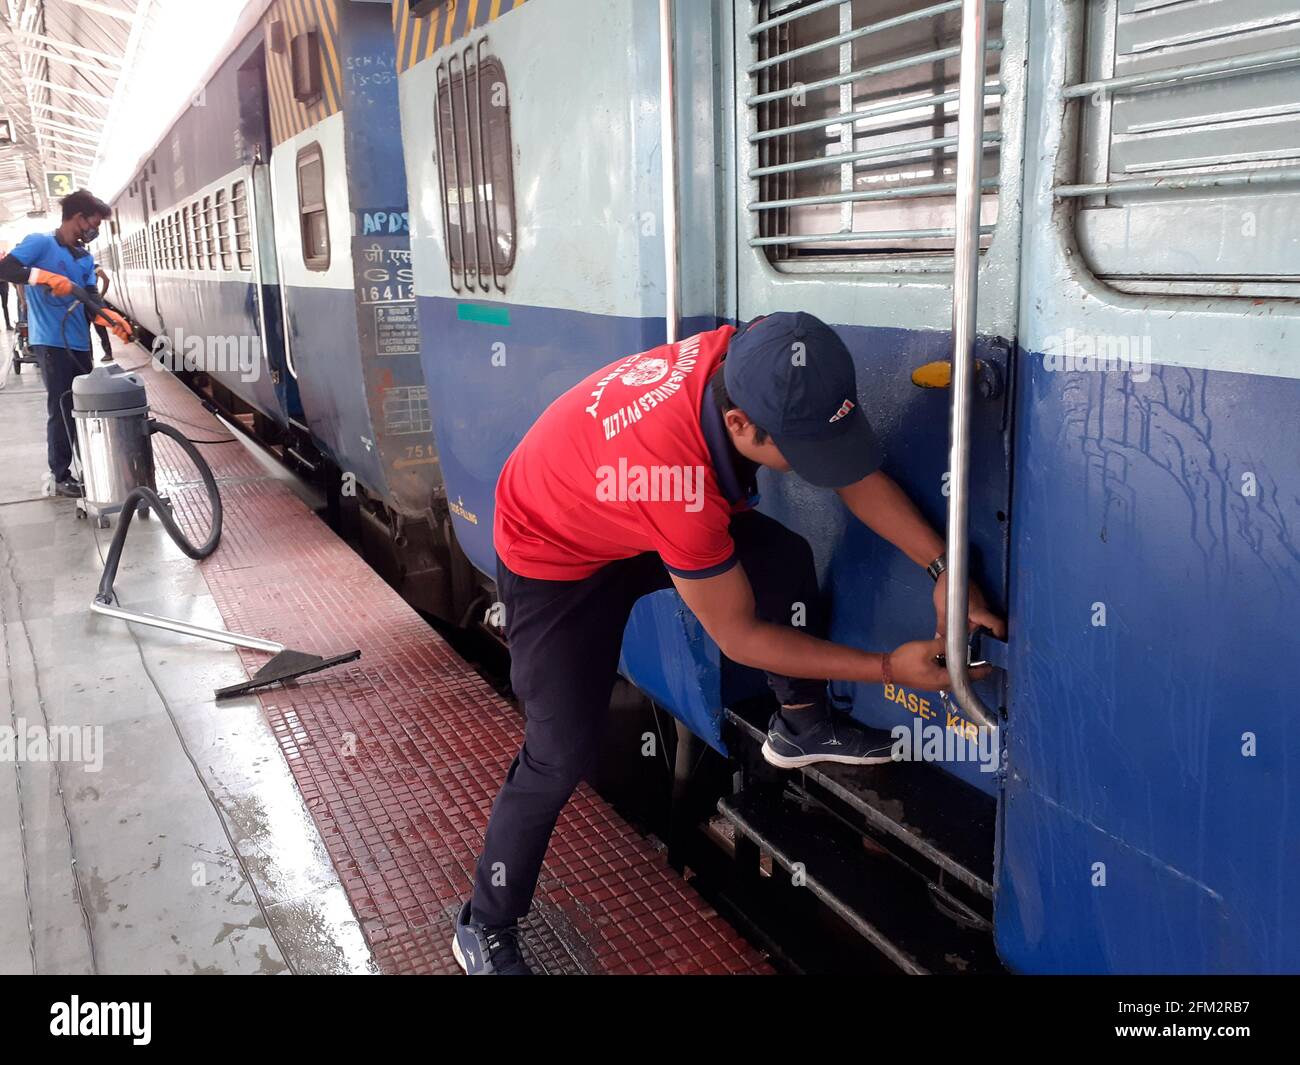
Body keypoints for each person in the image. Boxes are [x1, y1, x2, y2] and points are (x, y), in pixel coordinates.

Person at [452, 312, 1007, 975]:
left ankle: (801, 725)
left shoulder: (759, 355)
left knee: (784, 559)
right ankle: (484, 922)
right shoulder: (677, 480)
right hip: (556, 555)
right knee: (558, 751)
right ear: (740, 425)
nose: (816, 467)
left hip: (627, 510)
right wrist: (886, 667)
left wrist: (945, 568)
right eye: (800, 453)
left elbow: (852, 474)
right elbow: (739, 635)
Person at [0, 190, 131, 497]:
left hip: (80, 344)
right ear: (77, 218)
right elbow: (4, 270)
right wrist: (43, 277)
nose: (93, 230)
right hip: (50, 342)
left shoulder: (84, 258)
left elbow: (89, 297)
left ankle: (90, 469)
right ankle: (60, 475)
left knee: (83, 409)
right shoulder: (40, 242)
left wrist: (108, 318)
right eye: (92, 223)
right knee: (61, 408)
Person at [94, 265, 114, 362]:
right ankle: (108, 353)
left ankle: (89, 357)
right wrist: (100, 296)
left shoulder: (75, 266)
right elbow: (106, 280)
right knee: (101, 329)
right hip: (95, 301)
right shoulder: (93, 266)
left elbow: (106, 280)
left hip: (82, 302)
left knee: (85, 331)